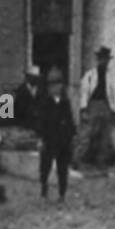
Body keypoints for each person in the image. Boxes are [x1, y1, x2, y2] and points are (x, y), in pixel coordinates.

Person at [36, 68, 77, 203]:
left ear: (61, 86)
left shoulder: (65, 102)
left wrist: (72, 137)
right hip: (49, 139)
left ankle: (62, 193)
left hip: (63, 140)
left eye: (57, 85)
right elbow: (41, 122)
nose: (55, 88)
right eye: (52, 85)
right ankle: (44, 190)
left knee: (62, 169)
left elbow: (70, 121)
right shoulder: (45, 103)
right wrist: (40, 138)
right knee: (45, 167)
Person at [77, 46, 115, 169]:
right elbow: (84, 92)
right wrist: (83, 108)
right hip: (93, 104)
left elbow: (113, 95)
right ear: (98, 60)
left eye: (106, 60)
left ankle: (101, 160)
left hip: (106, 106)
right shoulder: (90, 75)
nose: (105, 62)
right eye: (102, 59)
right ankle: (78, 159)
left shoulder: (110, 76)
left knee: (105, 134)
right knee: (86, 133)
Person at [0, 65, 42, 150]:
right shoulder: (19, 91)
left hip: (37, 127)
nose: (36, 80)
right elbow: (15, 111)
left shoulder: (41, 91)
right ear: (28, 77)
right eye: (33, 77)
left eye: (37, 78)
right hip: (22, 126)